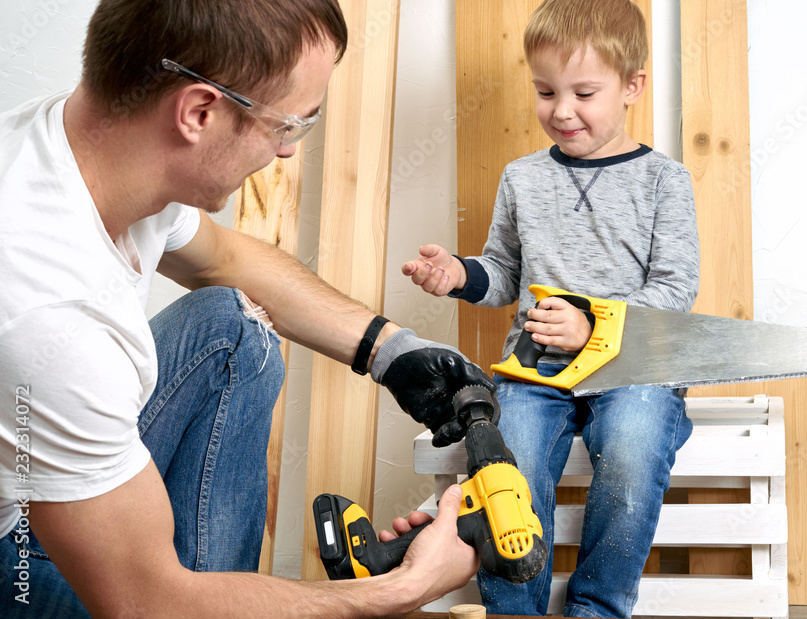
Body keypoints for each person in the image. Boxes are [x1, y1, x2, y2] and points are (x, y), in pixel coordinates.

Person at [0, 0, 493, 616]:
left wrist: (392, 350)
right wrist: (409, 585)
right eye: (289, 125)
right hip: (12, 562)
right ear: (200, 111)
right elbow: (143, 603)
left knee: (234, 327)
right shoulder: (45, 314)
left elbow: (223, 261)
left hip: (31, 473)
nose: (288, 153)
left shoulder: (82, 148)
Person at [401, 0, 700, 616]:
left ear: (632, 87)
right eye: (545, 91)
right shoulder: (522, 178)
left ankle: (598, 606)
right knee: (511, 456)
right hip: (536, 374)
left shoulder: (664, 182)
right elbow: (504, 275)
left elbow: (675, 290)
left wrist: (593, 327)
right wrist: (459, 275)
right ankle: (515, 609)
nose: (561, 111)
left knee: (635, 444)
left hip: (632, 371)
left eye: (584, 92)